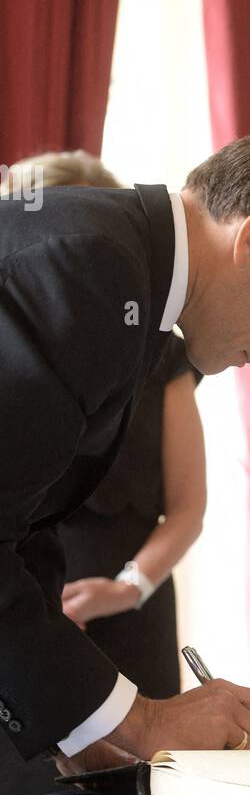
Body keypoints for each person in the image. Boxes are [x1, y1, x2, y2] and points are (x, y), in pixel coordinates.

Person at [0, 125, 250, 795]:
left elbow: (23, 526)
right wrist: (146, 718)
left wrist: (85, 725)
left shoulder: (128, 281)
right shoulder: (91, 268)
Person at [4, 151, 206, 700]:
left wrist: (127, 588)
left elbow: (189, 506)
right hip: (24, 601)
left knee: (147, 774)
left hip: (131, 613)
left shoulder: (164, 354)